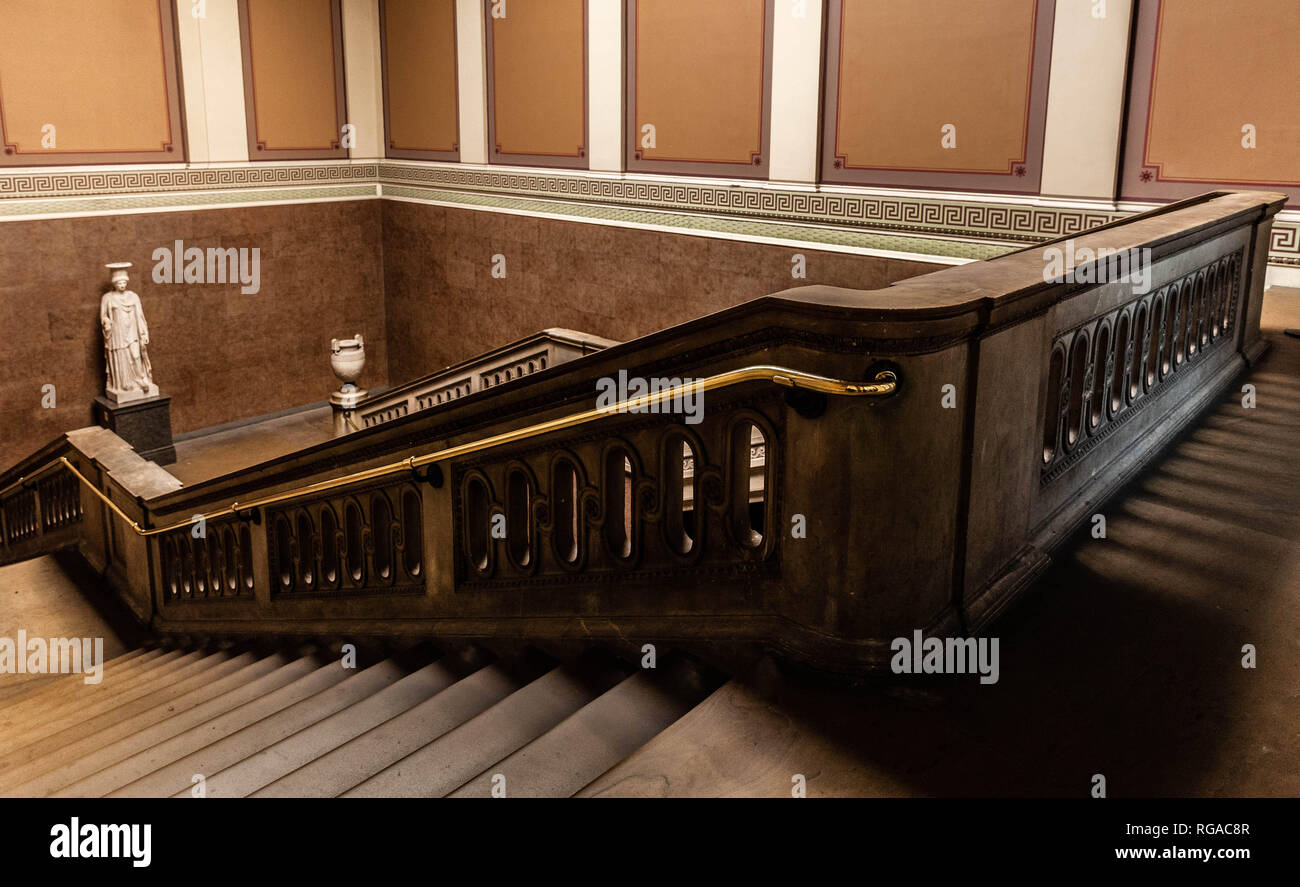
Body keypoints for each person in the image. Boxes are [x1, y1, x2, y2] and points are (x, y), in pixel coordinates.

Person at [100, 263, 158, 401]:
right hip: (117, 334)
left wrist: (143, 333)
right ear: (114, 284)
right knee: (122, 358)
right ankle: (125, 385)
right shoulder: (107, 298)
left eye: (124, 282)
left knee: (136, 356)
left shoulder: (133, 296)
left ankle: (140, 379)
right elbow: (103, 316)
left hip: (132, 332)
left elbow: (140, 316)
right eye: (119, 282)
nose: (122, 284)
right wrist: (106, 322)